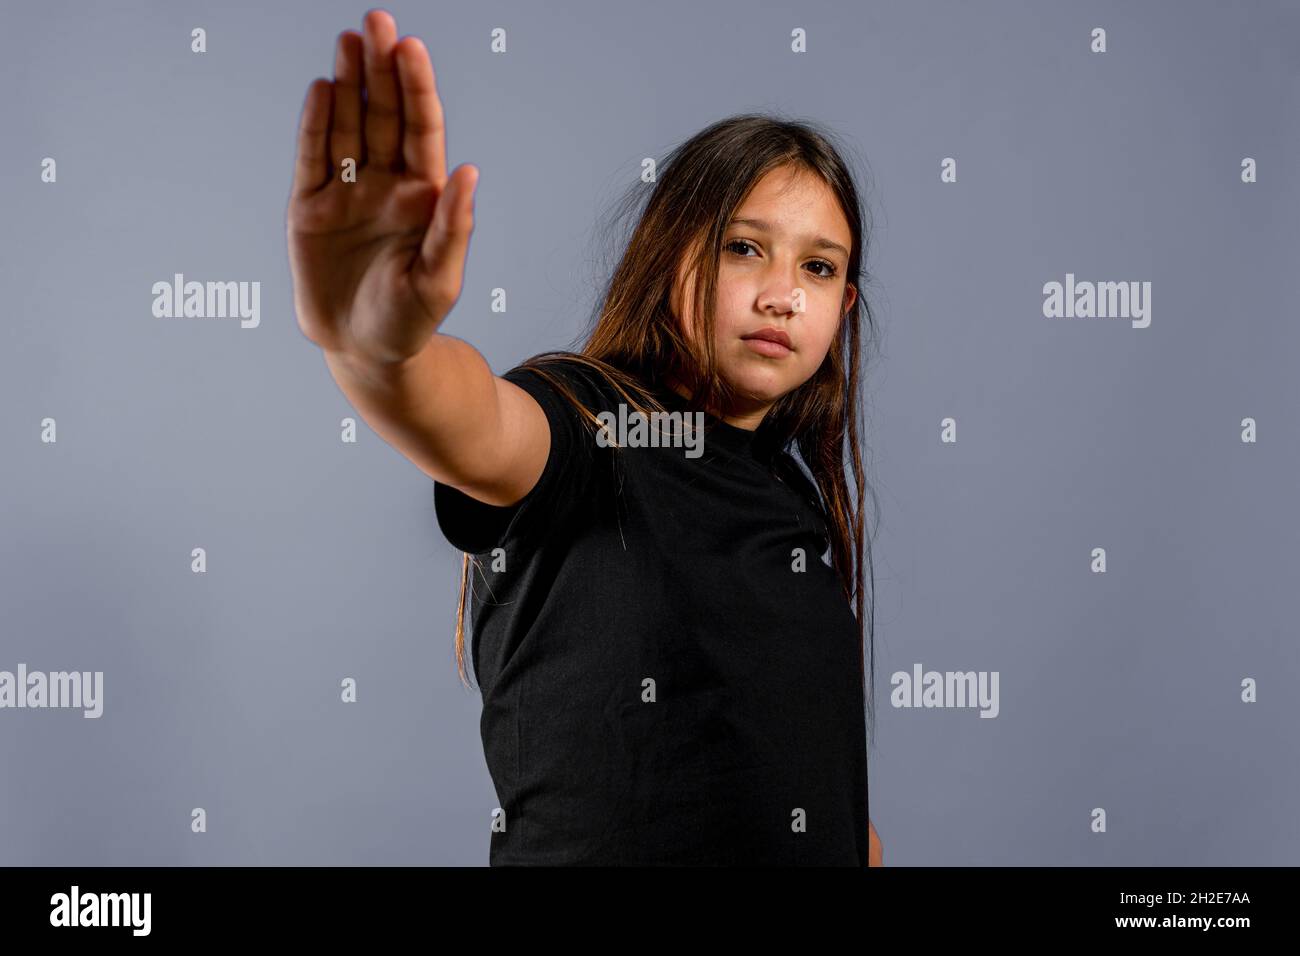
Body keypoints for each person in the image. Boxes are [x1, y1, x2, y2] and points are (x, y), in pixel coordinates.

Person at [288, 8, 884, 867]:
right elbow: (473, 421)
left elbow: (825, 787)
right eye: (744, 249)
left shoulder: (793, 502)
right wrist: (377, 346)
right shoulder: (586, 419)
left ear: (844, 306)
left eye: (819, 267)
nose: (783, 295)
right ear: (666, 255)